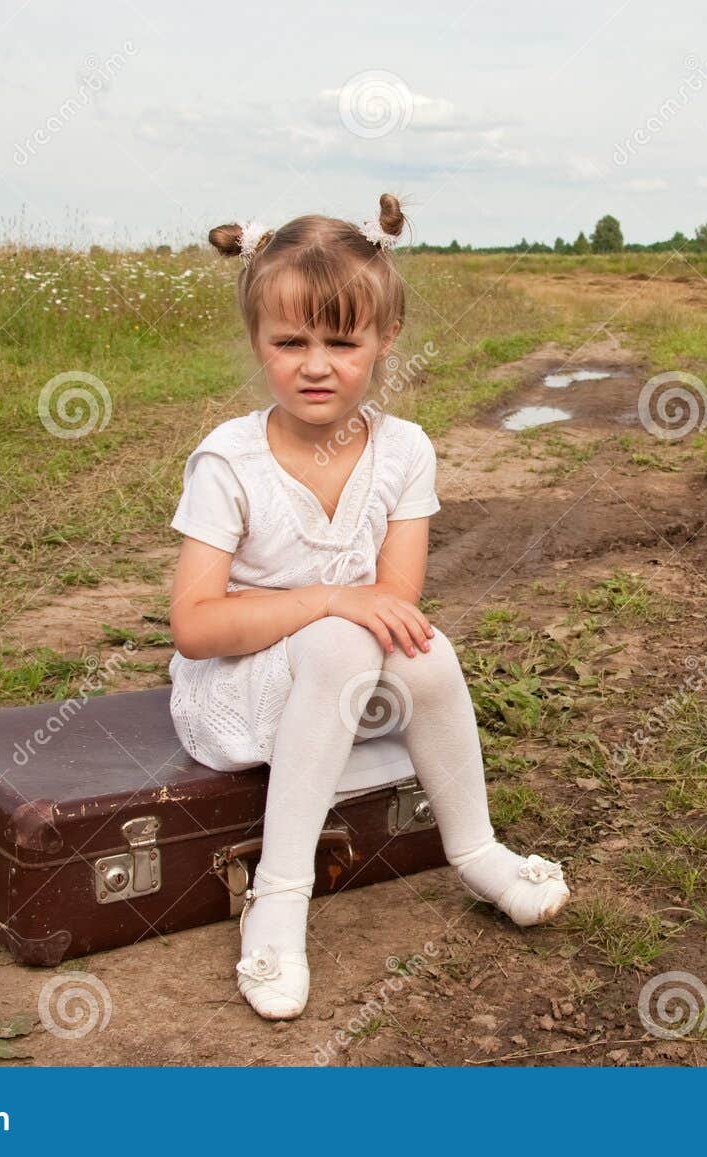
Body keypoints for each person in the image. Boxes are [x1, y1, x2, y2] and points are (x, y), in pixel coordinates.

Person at [166, 194, 570, 1021]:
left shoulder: (404, 450)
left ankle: (476, 849)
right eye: (291, 342)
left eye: (341, 342)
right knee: (346, 642)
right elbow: (197, 625)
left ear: (384, 342)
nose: (316, 364)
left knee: (425, 647)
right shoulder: (230, 462)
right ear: (259, 343)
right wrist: (324, 598)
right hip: (239, 692)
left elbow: (396, 603)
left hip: (348, 692)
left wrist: (347, 609)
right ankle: (279, 896)